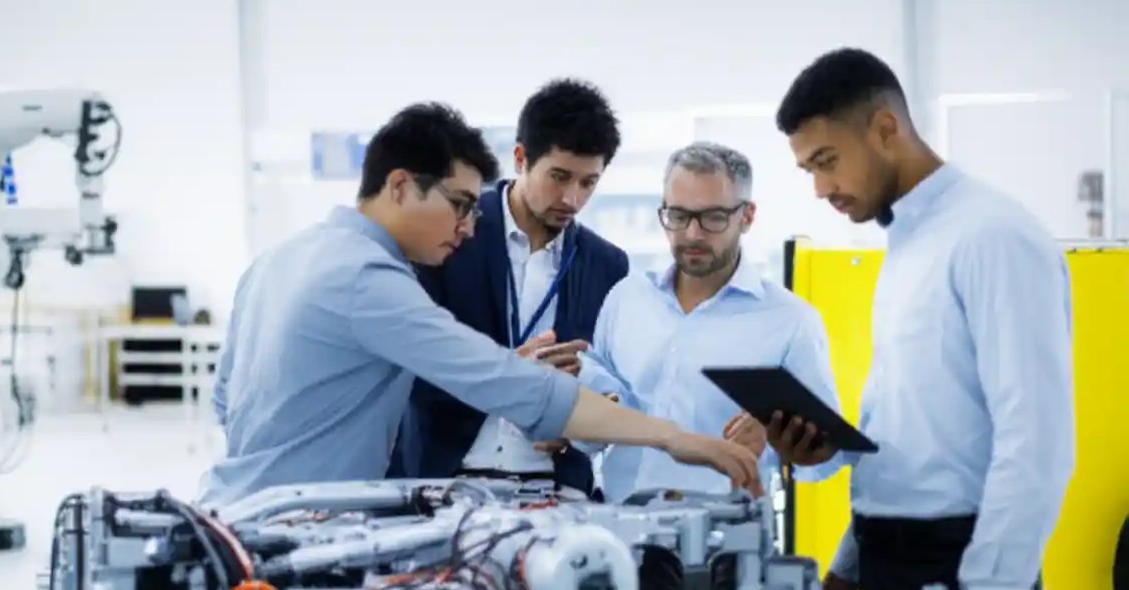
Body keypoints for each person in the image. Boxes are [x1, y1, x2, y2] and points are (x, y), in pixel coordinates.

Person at [199, 101, 761, 508]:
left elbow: (226, 402)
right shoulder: (366, 278)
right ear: (399, 186)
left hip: (238, 510)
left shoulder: (281, 258)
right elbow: (507, 383)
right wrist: (676, 438)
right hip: (299, 525)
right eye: (461, 205)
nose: (469, 226)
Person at [770, 48, 1074, 590]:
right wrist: (846, 569)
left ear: (885, 129)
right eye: (808, 169)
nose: (819, 188)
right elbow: (906, 441)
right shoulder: (909, 245)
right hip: (891, 564)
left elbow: (1036, 439)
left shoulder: (993, 237)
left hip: (962, 574)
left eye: (827, 161)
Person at [390, 79, 629, 496]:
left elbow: (609, 381)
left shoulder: (606, 265)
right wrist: (505, 375)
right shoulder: (449, 232)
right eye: (559, 177)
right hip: (449, 484)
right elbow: (405, 367)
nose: (571, 199)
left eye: (588, 183)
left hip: (556, 492)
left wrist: (583, 424)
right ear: (521, 157)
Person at [578, 141, 844, 503]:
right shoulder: (628, 298)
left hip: (726, 538)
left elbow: (827, 455)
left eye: (713, 217)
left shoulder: (790, 321)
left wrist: (777, 443)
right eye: (678, 216)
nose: (692, 234)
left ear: (747, 217)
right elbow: (595, 391)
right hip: (617, 526)